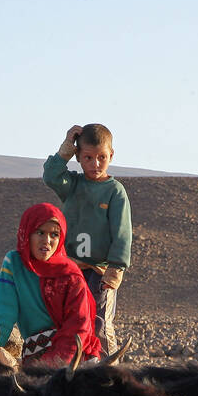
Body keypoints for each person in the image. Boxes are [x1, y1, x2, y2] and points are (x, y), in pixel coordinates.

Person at [42, 123, 133, 358]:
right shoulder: (73, 185)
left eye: (102, 157)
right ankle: (73, 369)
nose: (95, 164)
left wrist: (117, 267)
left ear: (111, 155)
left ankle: (109, 374)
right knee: (69, 319)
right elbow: (51, 176)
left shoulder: (115, 191)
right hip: (70, 267)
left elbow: (122, 232)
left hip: (101, 270)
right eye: (88, 158)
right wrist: (65, 149)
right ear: (79, 158)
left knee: (99, 321)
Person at [0, 203, 102, 367]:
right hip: (35, 355)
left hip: (74, 357)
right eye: (40, 232)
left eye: (54, 234)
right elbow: (5, 314)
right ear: (27, 233)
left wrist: (53, 364)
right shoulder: (14, 263)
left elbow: (79, 325)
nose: (47, 240)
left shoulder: (70, 274)